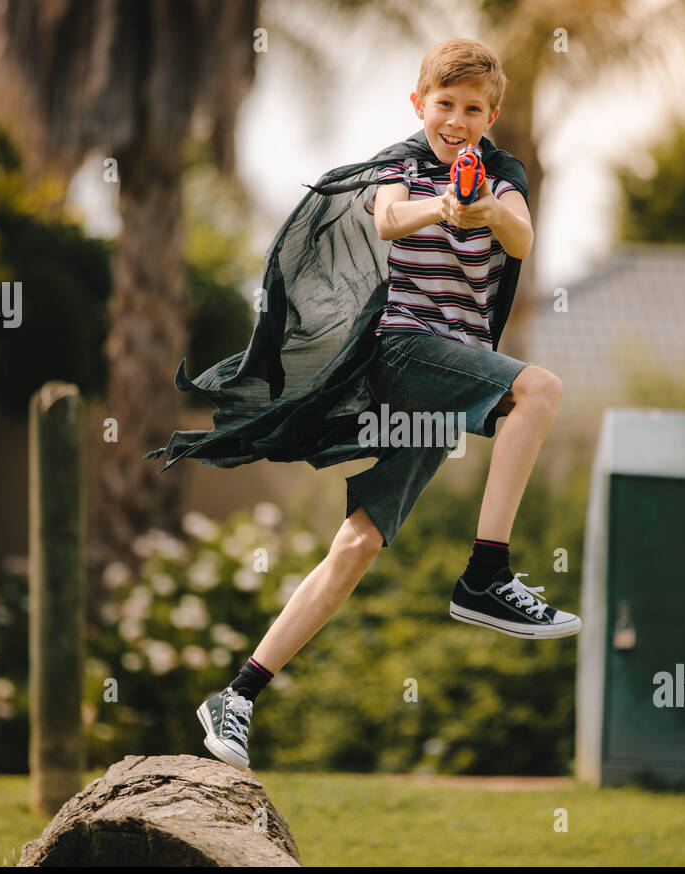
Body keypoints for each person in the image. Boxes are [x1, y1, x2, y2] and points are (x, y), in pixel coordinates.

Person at [148, 38, 581, 770]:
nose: (457, 119)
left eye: (473, 109)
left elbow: (523, 236)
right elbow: (386, 219)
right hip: (403, 351)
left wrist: (483, 213)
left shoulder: (503, 174)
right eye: (444, 104)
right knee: (538, 389)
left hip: (440, 384)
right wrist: (443, 205)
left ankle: (239, 695)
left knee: (359, 543)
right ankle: (487, 574)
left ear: (492, 115)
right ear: (420, 105)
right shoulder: (401, 164)